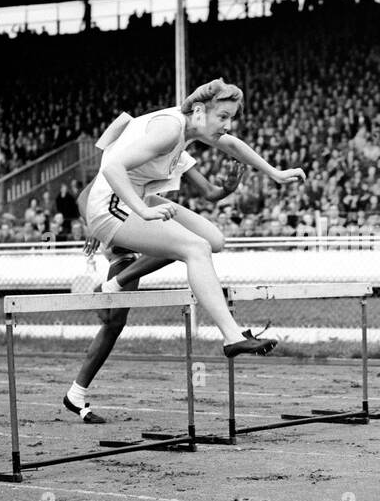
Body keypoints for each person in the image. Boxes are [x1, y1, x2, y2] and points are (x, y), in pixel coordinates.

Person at [79, 77, 305, 362]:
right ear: (198, 111)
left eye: (231, 118)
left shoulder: (187, 130)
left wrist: (275, 173)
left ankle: (114, 284)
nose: (228, 125)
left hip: (135, 199)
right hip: (110, 207)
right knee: (195, 248)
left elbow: (232, 144)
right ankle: (232, 336)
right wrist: (143, 211)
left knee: (213, 241)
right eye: (223, 117)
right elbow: (111, 166)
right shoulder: (170, 129)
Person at [62, 157, 245, 423]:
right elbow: (84, 196)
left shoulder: (179, 151)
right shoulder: (135, 148)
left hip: (141, 228)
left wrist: (227, 189)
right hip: (117, 226)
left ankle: (75, 394)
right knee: (188, 244)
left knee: (114, 323)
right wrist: (92, 224)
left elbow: (210, 193)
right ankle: (117, 282)